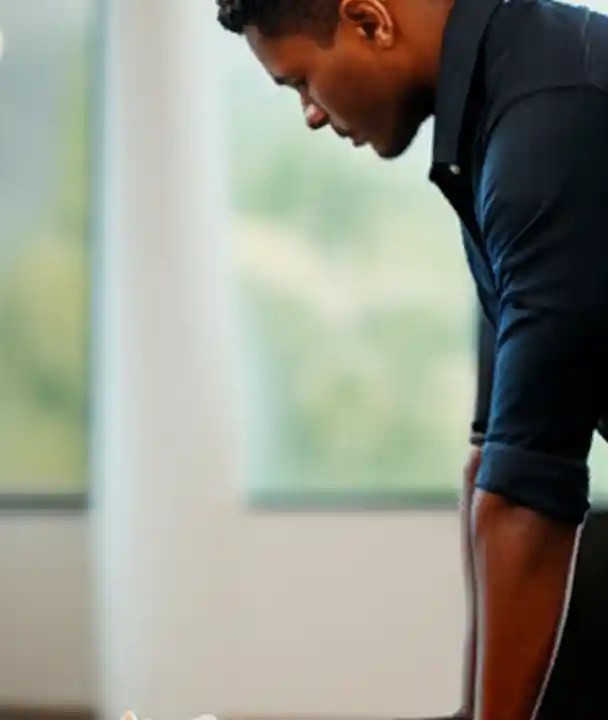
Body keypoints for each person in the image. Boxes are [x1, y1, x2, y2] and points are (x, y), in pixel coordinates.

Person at [216, 0, 608, 717]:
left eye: (301, 82)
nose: (309, 113)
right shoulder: (495, 121)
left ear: (369, 21)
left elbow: (528, 500)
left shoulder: (552, 120)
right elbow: (492, 464)